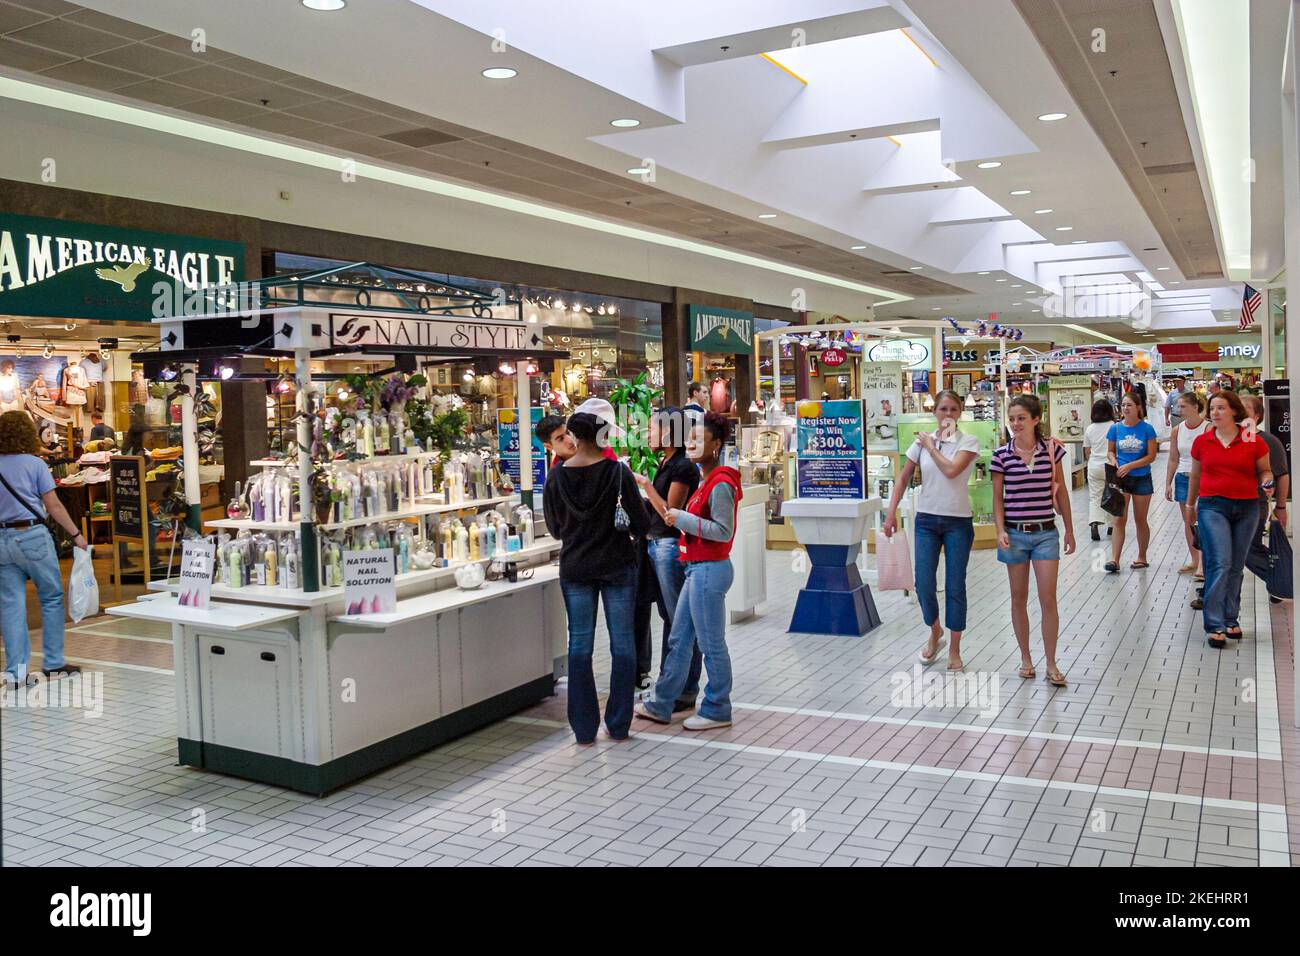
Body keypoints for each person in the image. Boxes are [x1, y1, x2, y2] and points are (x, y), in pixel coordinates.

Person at [542, 412, 650, 744]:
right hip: (617, 564)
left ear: (574, 436)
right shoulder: (618, 473)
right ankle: (618, 724)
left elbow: (555, 529)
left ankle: (584, 728)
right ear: (602, 437)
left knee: (579, 645)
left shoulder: (556, 479)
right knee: (623, 644)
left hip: (576, 568)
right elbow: (641, 524)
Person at [634, 412, 742, 731]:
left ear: (717, 444)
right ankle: (661, 702)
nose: (692, 443)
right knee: (680, 638)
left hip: (710, 569)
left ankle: (718, 707)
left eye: (699, 439)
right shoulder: (706, 480)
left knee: (711, 643)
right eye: (690, 438)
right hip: (696, 568)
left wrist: (680, 519)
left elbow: (723, 531)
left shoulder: (721, 482)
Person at [882, 390, 979, 671]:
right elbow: (903, 478)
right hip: (926, 521)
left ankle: (956, 649)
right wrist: (890, 514)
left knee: (955, 585)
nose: (947, 415)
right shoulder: (920, 444)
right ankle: (935, 631)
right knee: (923, 583)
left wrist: (931, 445)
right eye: (943, 409)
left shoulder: (967, 442)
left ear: (960, 413)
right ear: (934, 412)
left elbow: (951, 471)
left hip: (958, 522)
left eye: (953, 410)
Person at [992, 394, 1075, 688]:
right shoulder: (1001, 455)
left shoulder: (1053, 451)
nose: (1015, 424)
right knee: (1018, 598)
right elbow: (998, 498)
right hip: (1014, 533)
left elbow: (1062, 491)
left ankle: (1052, 662)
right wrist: (999, 529)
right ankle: (1026, 658)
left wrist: (1069, 528)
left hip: (1045, 533)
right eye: (1012, 418)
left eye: (1021, 418)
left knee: (1048, 598)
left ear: (1036, 419)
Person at [0, 411, 88, 685]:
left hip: (2, 540)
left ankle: (16, 673)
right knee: (50, 597)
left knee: (11, 604)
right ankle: (53, 663)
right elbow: (53, 506)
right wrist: (76, 534)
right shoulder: (35, 464)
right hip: (32, 536)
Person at [1188, 390, 1273, 648]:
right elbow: (1195, 475)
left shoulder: (1253, 441)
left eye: (1221, 408)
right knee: (1220, 562)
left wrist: (1267, 481)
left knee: (1236, 565)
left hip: (1247, 508)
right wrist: (1190, 505)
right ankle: (1214, 624)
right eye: (1212, 408)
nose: (1214, 413)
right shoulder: (1203, 442)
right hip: (1212, 506)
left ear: (1235, 411)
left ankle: (1230, 618)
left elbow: (1265, 469)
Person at [637, 407, 702, 705]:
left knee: (681, 620)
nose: (647, 435)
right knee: (669, 617)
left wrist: (646, 486)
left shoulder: (683, 466)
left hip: (670, 545)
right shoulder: (666, 462)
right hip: (656, 545)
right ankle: (670, 685)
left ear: (667, 431)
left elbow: (669, 515)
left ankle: (685, 689)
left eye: (651, 429)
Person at [1241, 395, 1290, 602]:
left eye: (1245, 409)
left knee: (1249, 550)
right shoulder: (1231, 438)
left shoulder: (1269, 441)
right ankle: (1280, 580)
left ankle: (1283, 579)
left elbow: (1282, 475)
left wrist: (1280, 506)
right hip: (1231, 504)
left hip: (1256, 504)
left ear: (1257, 415)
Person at [1104, 392, 1158, 573]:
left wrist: (1132, 465)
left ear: (1138, 408)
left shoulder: (1147, 429)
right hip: (1121, 478)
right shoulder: (1115, 429)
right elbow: (1110, 451)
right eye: (1123, 405)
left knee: (1140, 519)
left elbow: (1151, 456)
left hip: (1142, 477)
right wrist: (1114, 461)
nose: (1125, 408)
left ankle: (1142, 556)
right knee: (1119, 518)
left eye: (1129, 405)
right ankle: (1114, 560)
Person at [1165, 391, 1210, 577]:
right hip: (1183, 478)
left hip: (1203, 478)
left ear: (1195, 407)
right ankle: (1195, 560)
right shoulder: (1177, 430)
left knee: (1203, 520)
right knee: (1188, 521)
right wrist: (1168, 483)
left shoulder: (1208, 428)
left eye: (1183, 406)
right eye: (1178, 406)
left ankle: (1203, 563)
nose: (1179, 410)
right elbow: (1173, 458)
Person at [1083, 399, 1116, 541]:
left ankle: (1094, 524)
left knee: (1095, 497)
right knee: (1112, 495)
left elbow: (1087, 451)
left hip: (1094, 465)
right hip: (1110, 465)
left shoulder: (1090, 428)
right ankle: (1111, 526)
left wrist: (1091, 460)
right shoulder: (1114, 426)